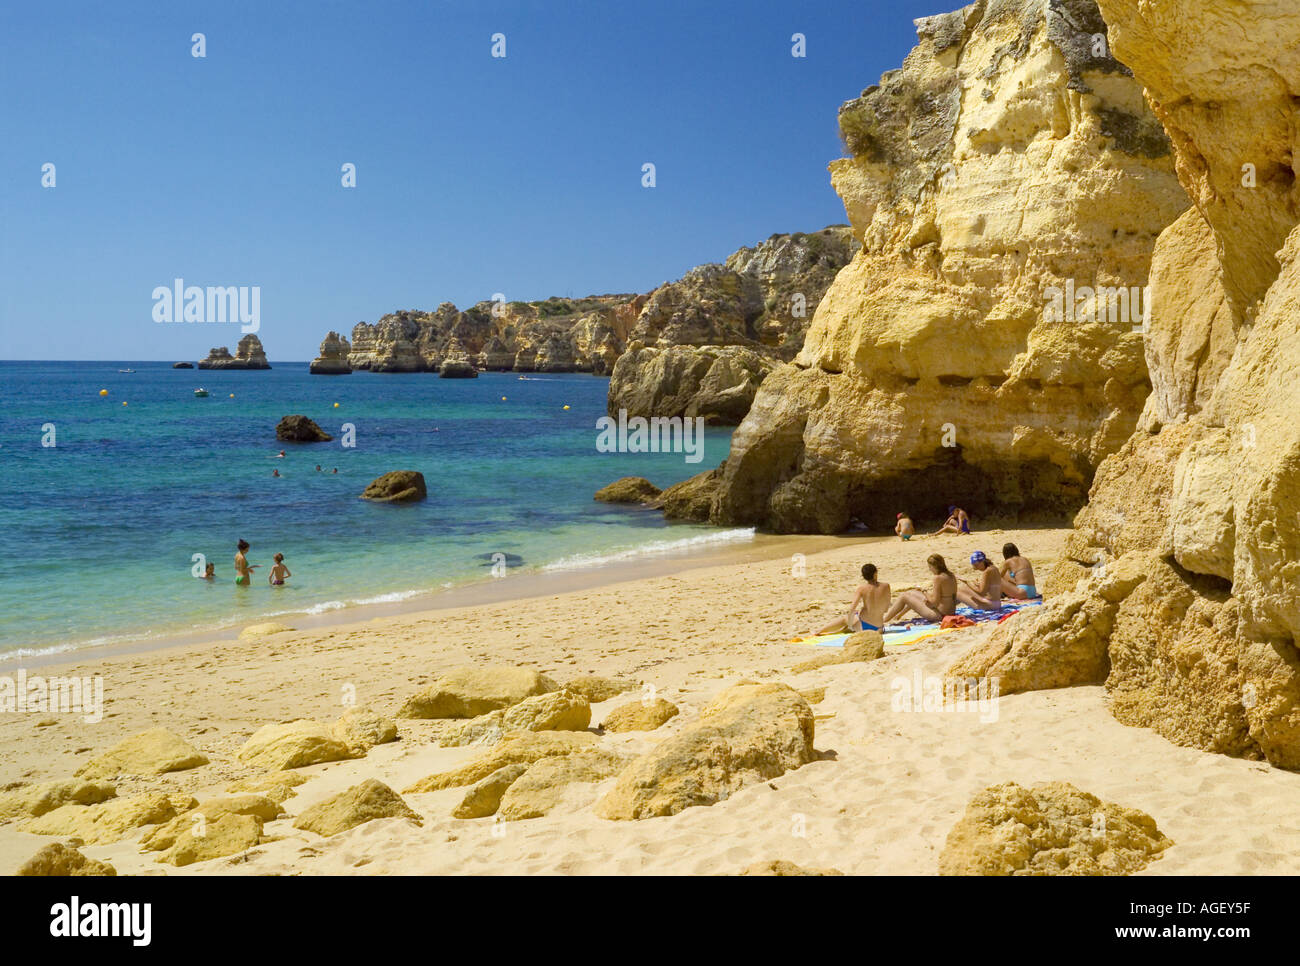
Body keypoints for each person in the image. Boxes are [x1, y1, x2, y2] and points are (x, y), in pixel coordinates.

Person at [813, 563, 892, 635]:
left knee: (845, 619)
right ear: (875, 573)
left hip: (864, 626)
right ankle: (844, 630)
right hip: (879, 627)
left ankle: (819, 631)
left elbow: (851, 609)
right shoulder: (886, 586)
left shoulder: (862, 589)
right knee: (855, 618)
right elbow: (886, 608)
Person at [883, 554, 958, 624]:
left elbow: (934, 602)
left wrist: (924, 591)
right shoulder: (951, 575)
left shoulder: (938, 578)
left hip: (940, 615)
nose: (930, 570)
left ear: (934, 566)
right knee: (912, 593)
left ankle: (884, 620)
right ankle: (900, 614)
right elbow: (942, 597)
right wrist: (926, 595)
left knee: (904, 596)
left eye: (930, 567)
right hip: (950, 612)